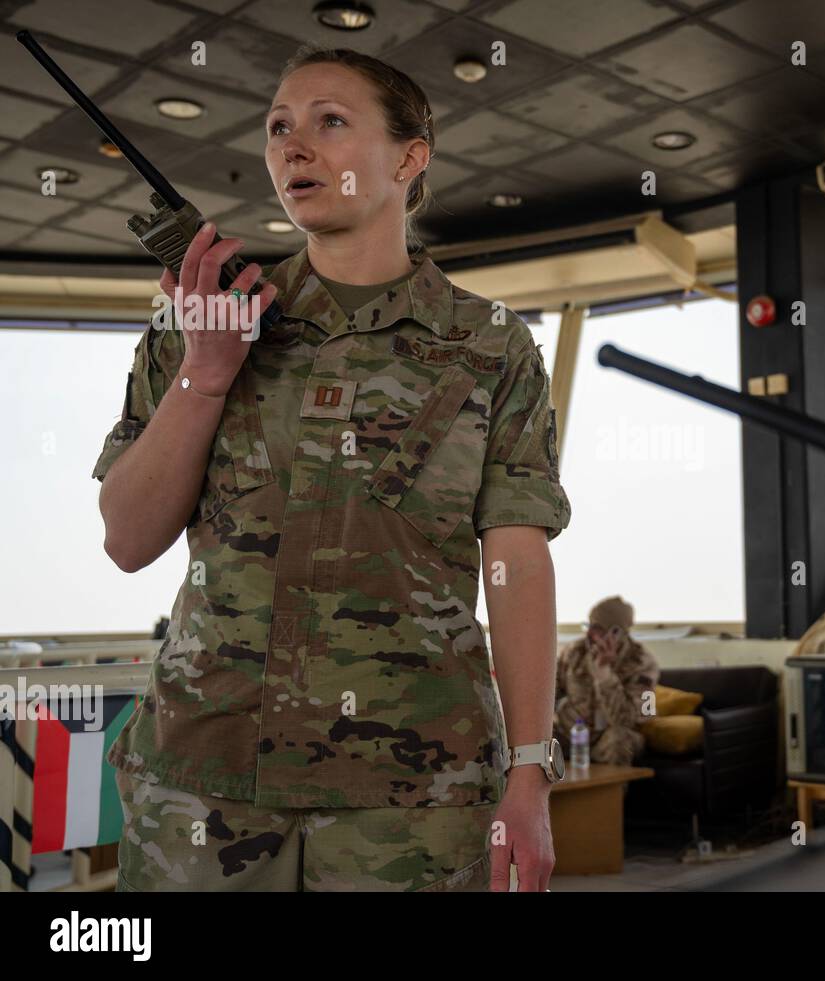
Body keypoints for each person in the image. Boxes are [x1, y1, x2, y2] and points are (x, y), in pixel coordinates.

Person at [93, 45, 571, 892]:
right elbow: (128, 539)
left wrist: (529, 770)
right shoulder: (200, 321)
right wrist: (207, 371)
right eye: (279, 127)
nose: (292, 147)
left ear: (409, 157)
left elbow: (517, 559)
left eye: (330, 123)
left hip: (414, 797)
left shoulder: (492, 346)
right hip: (203, 786)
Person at [554, 596, 660, 767]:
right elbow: (549, 693)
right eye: (588, 626)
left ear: (617, 632)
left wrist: (604, 676)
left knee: (619, 740)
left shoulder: (643, 663)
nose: (588, 633)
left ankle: (611, 793)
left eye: (597, 628)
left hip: (609, 738)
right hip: (572, 733)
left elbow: (628, 720)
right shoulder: (574, 652)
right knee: (536, 736)